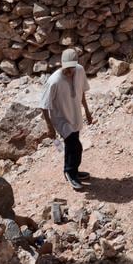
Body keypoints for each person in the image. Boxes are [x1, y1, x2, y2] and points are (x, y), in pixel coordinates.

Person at [38, 48, 93, 191]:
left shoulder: (80, 71)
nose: (69, 71)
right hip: (61, 118)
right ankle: (69, 172)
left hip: (75, 114)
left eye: (71, 68)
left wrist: (87, 110)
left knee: (74, 145)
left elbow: (82, 92)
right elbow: (44, 105)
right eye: (66, 68)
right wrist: (49, 127)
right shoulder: (54, 81)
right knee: (74, 145)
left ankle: (74, 171)